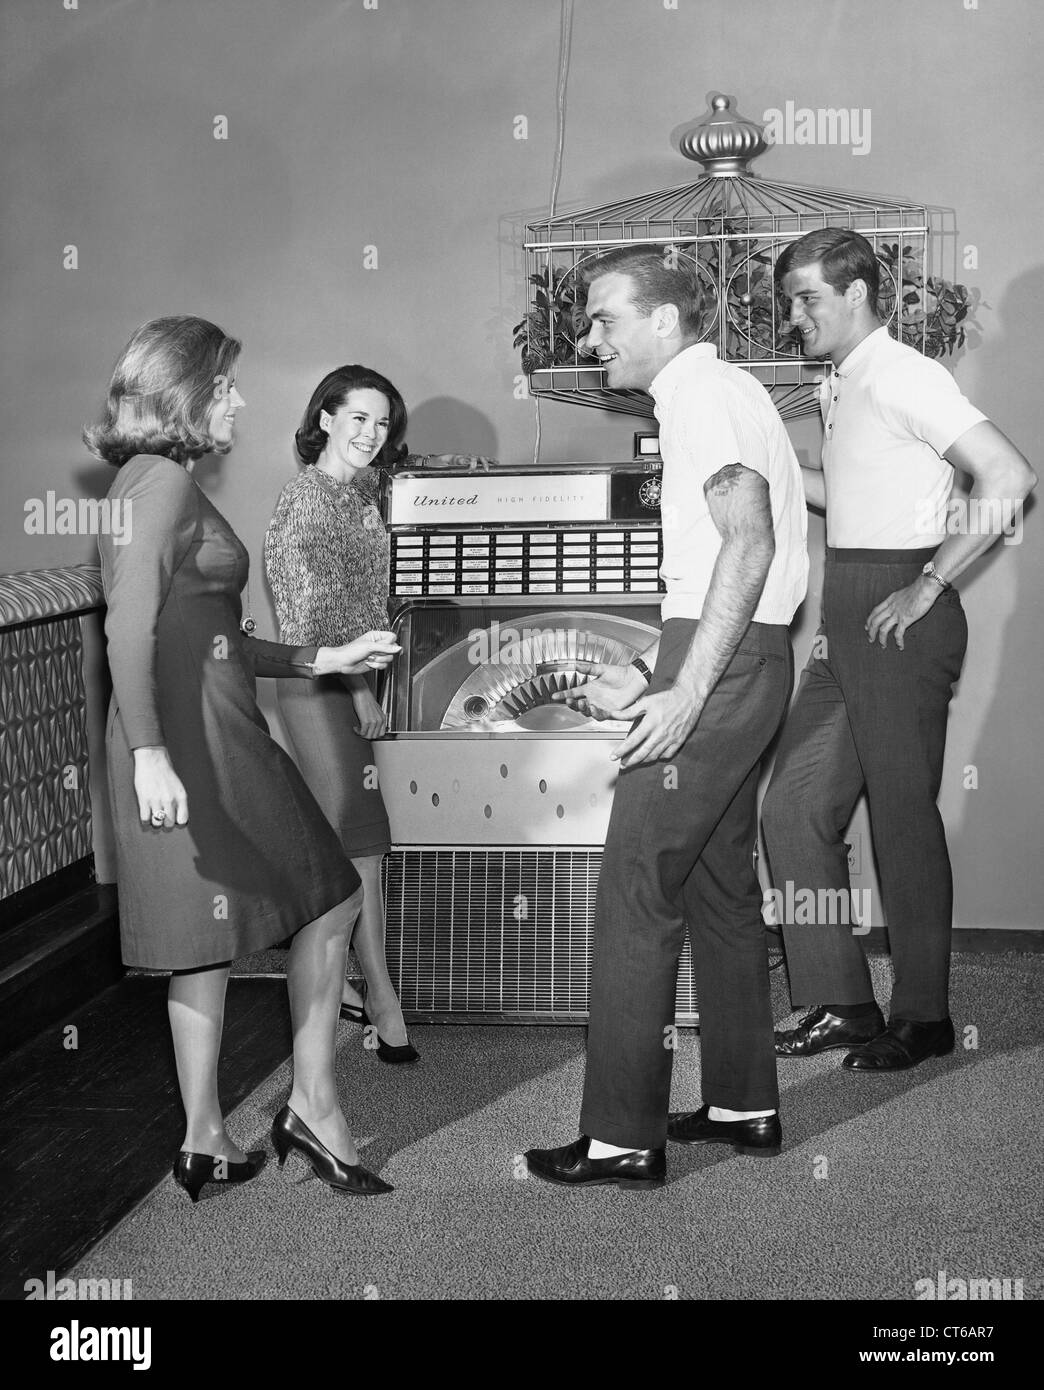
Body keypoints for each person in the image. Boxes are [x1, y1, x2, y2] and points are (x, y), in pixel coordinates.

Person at [87, 316, 401, 1200]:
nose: (241, 400)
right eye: (225, 386)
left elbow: (214, 634)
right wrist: (150, 753)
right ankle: (313, 1105)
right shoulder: (157, 486)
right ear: (182, 392)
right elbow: (127, 628)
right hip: (195, 743)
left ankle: (204, 1139)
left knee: (201, 941)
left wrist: (318, 660)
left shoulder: (152, 481)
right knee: (336, 892)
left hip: (202, 728)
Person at [524, 245, 809, 1189]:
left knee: (636, 887)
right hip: (732, 656)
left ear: (665, 322)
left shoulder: (703, 394)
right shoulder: (713, 393)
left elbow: (750, 538)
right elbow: (711, 569)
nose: (588, 336)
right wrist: (654, 665)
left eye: (604, 319)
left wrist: (686, 690)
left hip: (721, 670)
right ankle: (741, 1102)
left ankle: (621, 1137)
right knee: (719, 886)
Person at [761, 228, 1036, 1071]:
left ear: (856, 293)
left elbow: (1009, 477)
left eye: (807, 298)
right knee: (792, 810)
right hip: (847, 605)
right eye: (789, 300)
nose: (794, 316)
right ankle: (841, 1000)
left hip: (899, 610)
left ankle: (924, 1016)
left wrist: (930, 584)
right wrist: (765, 468)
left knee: (901, 820)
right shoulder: (840, 383)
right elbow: (846, 498)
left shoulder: (907, 373)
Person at [264, 365, 493, 1063]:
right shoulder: (310, 498)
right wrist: (363, 691)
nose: (371, 434)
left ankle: (366, 991)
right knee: (360, 851)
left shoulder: (360, 494)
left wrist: (459, 468)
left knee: (367, 851)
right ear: (324, 418)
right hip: (324, 687)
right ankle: (382, 1004)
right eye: (357, 418)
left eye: (383, 423)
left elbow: (368, 587)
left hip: (359, 679)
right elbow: (310, 618)